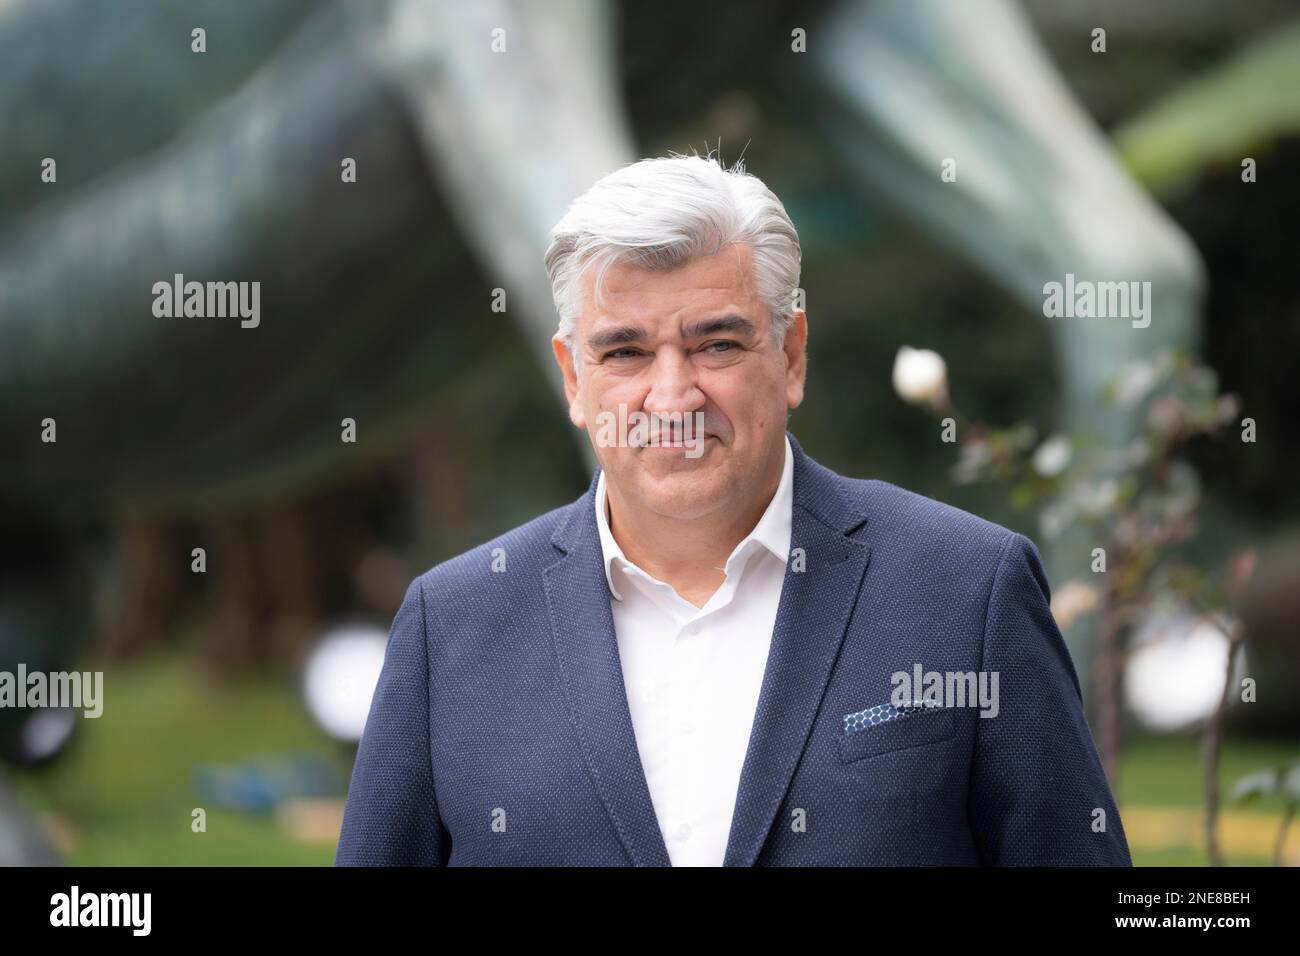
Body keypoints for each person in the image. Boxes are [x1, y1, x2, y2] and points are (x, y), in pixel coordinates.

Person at [335, 154, 1131, 866]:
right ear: (573, 380)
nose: (673, 394)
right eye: (625, 352)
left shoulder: (966, 591)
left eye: (717, 344)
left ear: (789, 356)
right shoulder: (453, 626)